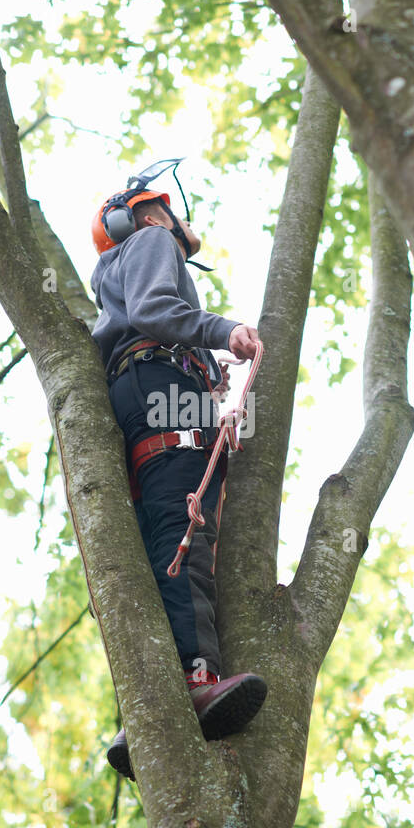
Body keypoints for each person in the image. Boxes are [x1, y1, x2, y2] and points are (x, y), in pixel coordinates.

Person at [90, 175, 267, 781]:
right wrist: (222, 332)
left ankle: (143, 707)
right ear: (149, 214)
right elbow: (155, 310)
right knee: (186, 520)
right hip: (164, 382)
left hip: (146, 388)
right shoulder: (151, 240)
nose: (180, 220)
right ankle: (198, 678)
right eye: (169, 210)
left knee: (163, 520)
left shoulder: (113, 276)